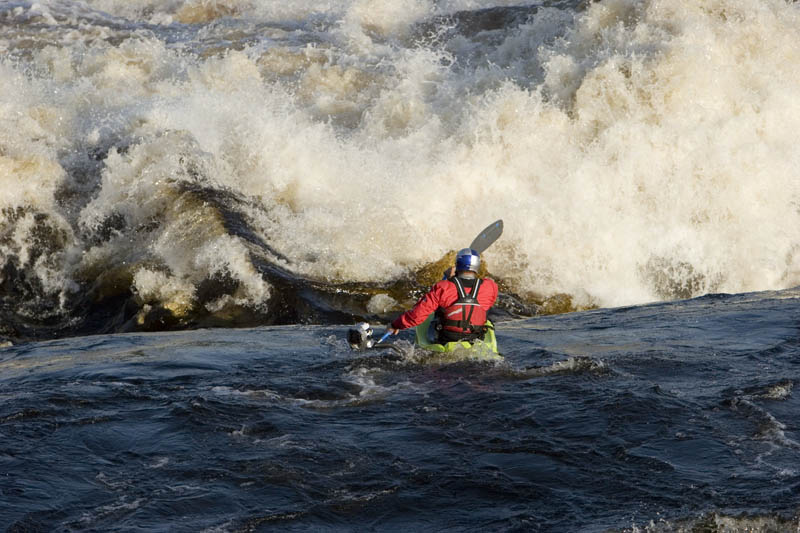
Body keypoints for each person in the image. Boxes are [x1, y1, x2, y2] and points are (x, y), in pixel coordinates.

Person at [386, 248, 498, 343]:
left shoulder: (443, 287)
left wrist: (396, 325)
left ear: (457, 265)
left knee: (438, 311)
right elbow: (483, 305)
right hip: (475, 337)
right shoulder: (491, 286)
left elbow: (416, 316)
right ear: (477, 266)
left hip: (446, 338)